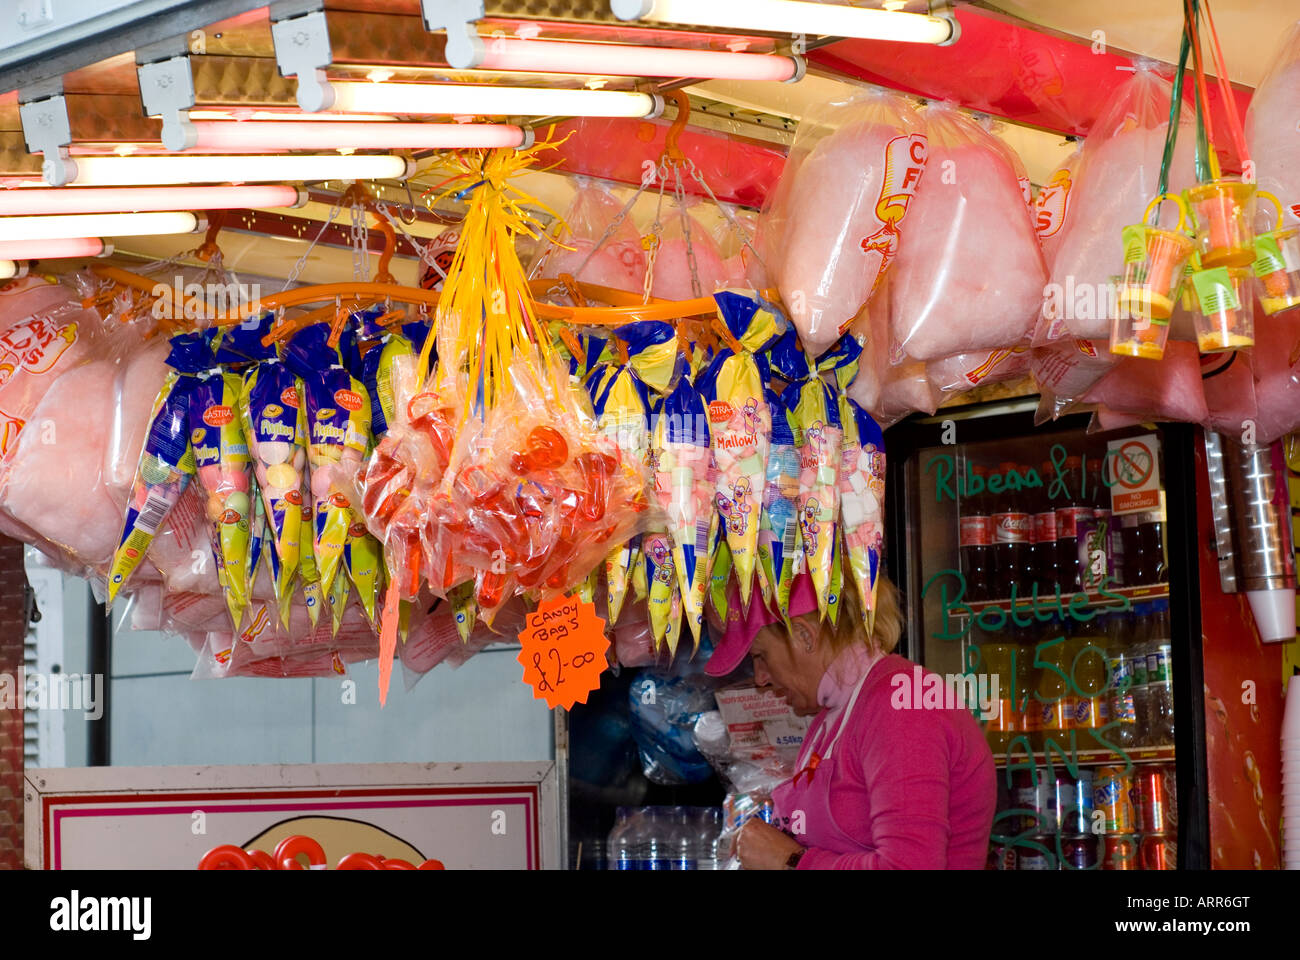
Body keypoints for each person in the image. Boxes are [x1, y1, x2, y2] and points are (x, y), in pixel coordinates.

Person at [705, 571, 995, 869]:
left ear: (804, 636)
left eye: (761, 656)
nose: (761, 678)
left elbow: (910, 864)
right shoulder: (832, 715)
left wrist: (789, 860)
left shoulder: (903, 703)